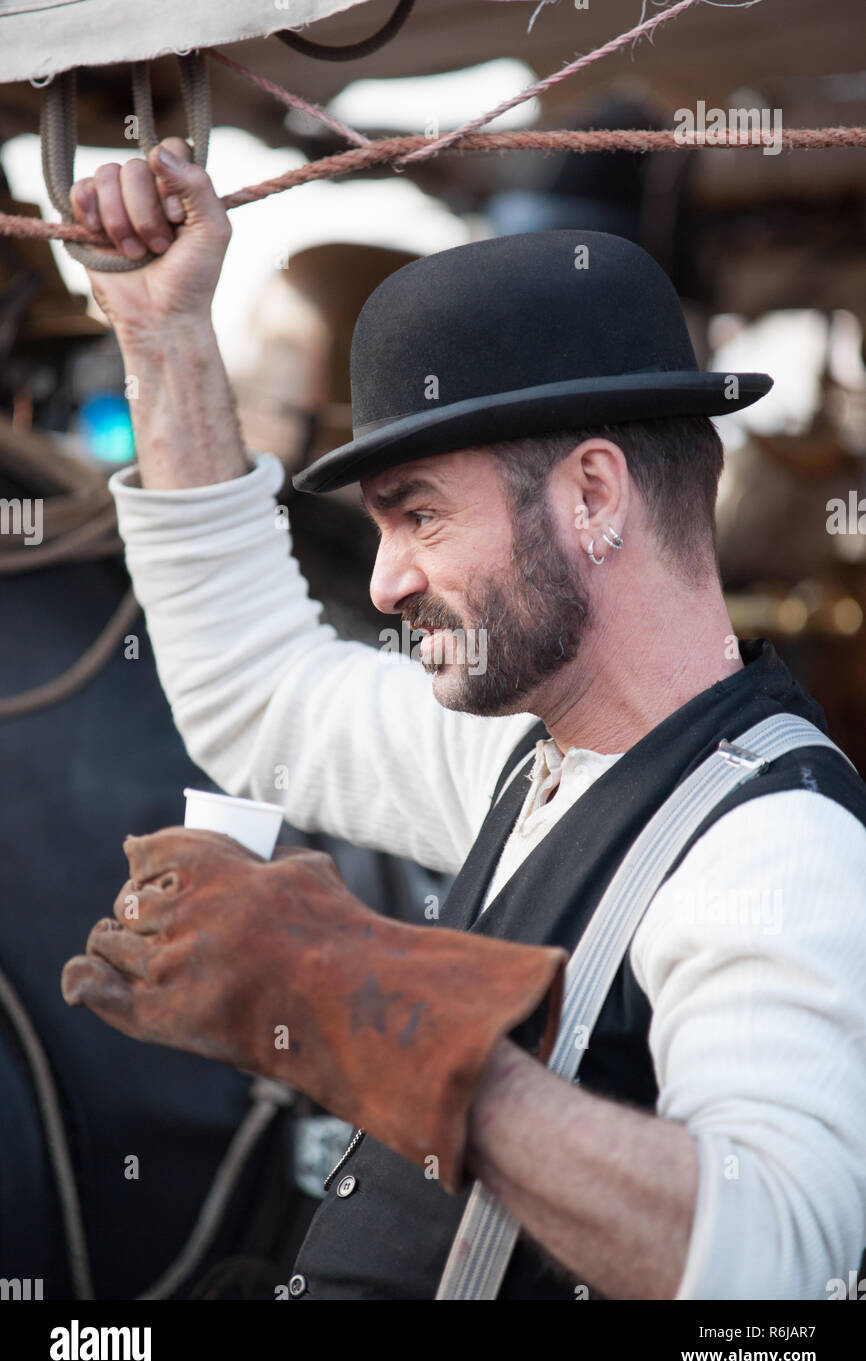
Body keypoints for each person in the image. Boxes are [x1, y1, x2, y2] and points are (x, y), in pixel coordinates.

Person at [61, 138, 866, 1301]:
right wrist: (162, 332)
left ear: (592, 495)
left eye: (419, 515)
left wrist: (360, 1004)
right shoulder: (528, 754)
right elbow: (258, 687)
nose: (384, 581)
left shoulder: (774, 851)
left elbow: (770, 1268)